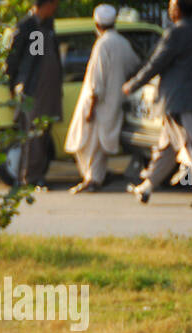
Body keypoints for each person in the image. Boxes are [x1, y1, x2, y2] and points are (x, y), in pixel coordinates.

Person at [123, 0, 192, 207]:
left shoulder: (174, 34)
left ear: (176, 10)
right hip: (190, 100)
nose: (170, 10)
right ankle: (147, 186)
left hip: (179, 102)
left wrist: (132, 84)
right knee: (166, 148)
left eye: (171, 6)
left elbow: (156, 64)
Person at [64, 5, 140, 193]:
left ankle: (93, 179)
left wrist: (90, 109)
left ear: (97, 24)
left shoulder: (102, 45)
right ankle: (94, 178)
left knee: (84, 144)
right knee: (95, 146)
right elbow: (135, 67)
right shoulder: (122, 42)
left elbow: (96, 82)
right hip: (114, 104)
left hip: (97, 104)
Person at [6, 0, 63, 187]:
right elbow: (15, 59)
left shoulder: (47, 24)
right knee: (33, 134)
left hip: (48, 89)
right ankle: (30, 177)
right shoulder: (28, 26)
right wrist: (14, 85)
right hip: (33, 89)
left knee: (42, 133)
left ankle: (33, 174)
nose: (55, 8)